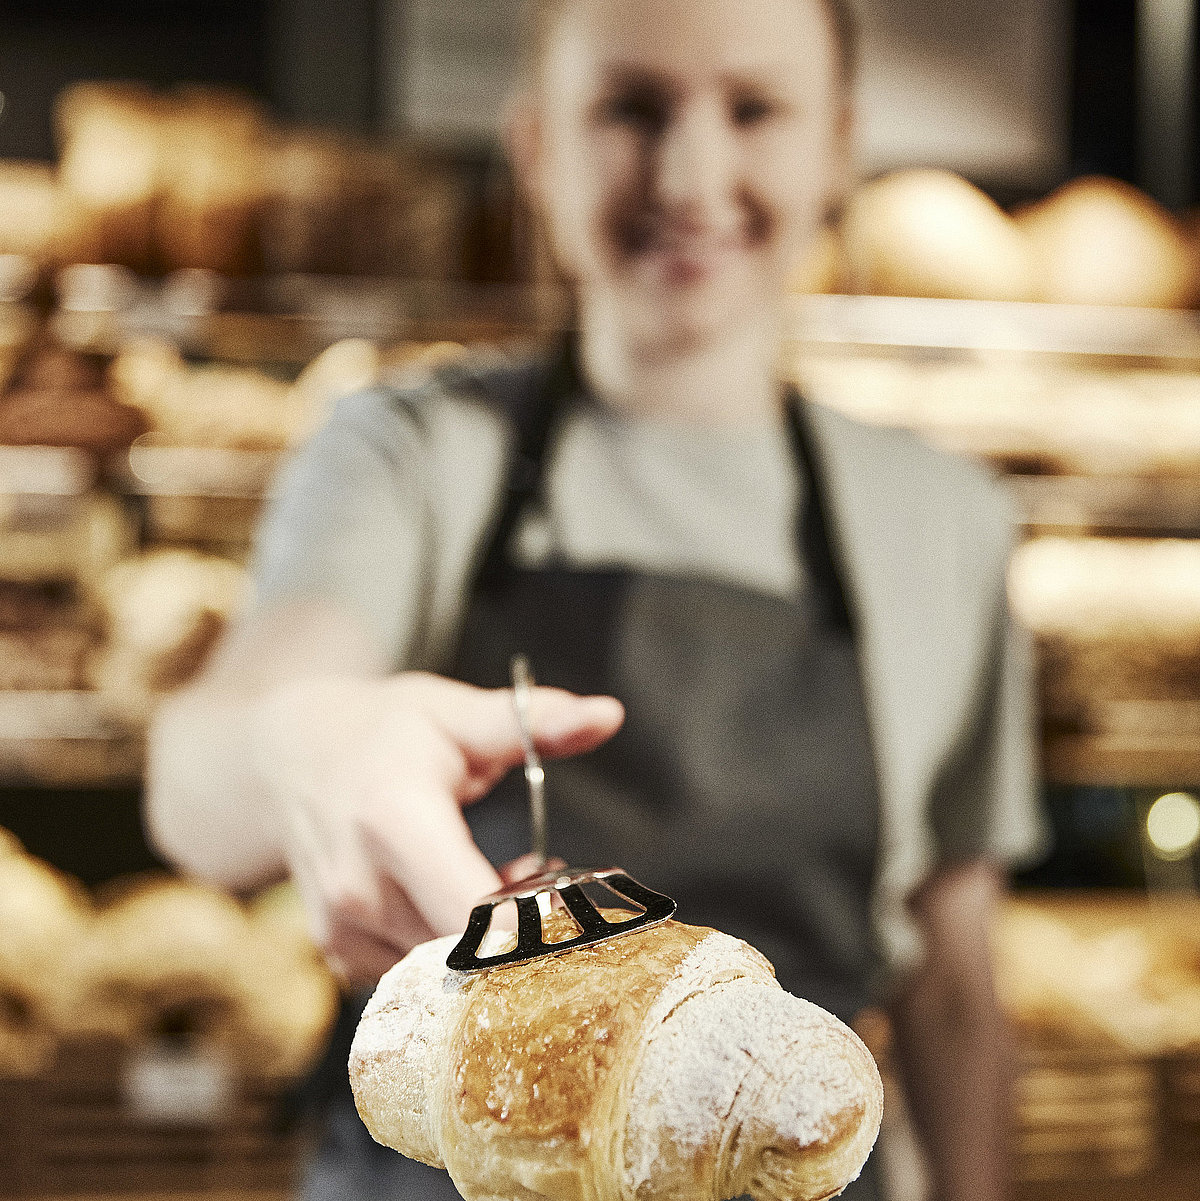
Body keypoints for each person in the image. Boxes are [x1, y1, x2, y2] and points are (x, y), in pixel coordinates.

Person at [145, 0, 1048, 1198]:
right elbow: (199, 773)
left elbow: (952, 988)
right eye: (630, 107)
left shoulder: (942, 516)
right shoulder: (408, 453)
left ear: (839, 145)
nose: (690, 172)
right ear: (536, 149)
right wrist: (302, 743)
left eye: (755, 108)